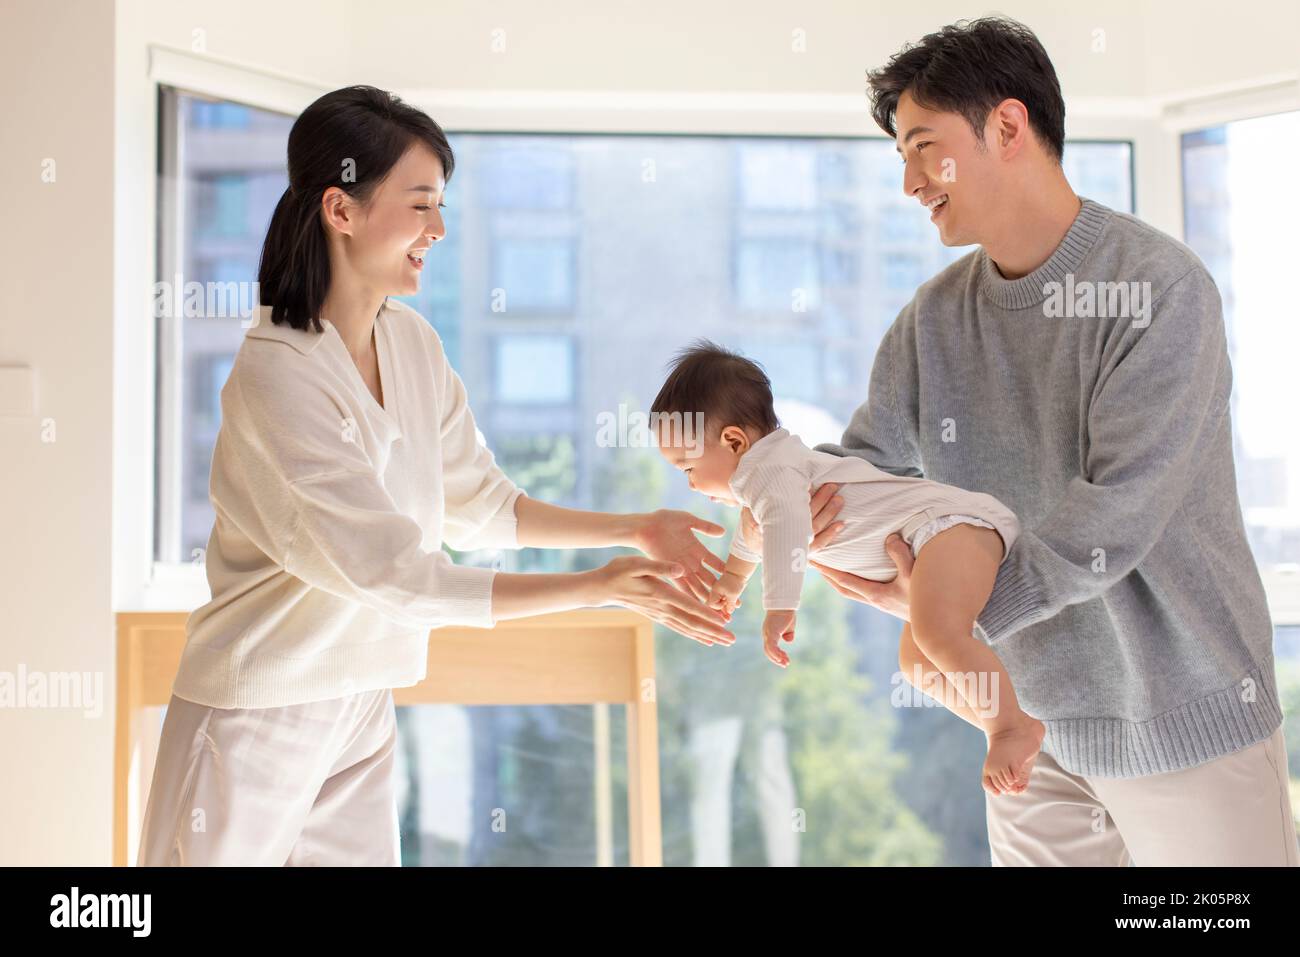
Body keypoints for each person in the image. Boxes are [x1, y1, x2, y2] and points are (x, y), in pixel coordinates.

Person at [138, 85, 734, 866]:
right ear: (340, 210)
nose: (439, 229)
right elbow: (397, 576)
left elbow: (479, 504)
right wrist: (600, 584)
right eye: (420, 205)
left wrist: (633, 530)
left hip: (361, 699)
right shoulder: (276, 378)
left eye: (442, 205)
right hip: (254, 713)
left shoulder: (411, 343)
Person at [787, 16, 1297, 865]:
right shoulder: (933, 323)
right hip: (1029, 732)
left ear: (1009, 127)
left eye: (923, 147)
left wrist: (951, 605)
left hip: (1187, 721)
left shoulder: (1158, 290)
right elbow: (864, 474)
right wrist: (788, 489)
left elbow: (1114, 516)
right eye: (900, 158)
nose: (910, 182)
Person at [651, 339, 1044, 796]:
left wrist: (779, 607)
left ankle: (1008, 728)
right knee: (920, 664)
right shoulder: (767, 480)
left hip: (945, 528)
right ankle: (1009, 721)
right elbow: (753, 536)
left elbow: (783, 530)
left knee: (939, 636)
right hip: (928, 544)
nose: (691, 483)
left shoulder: (769, 474)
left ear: (734, 441)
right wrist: (731, 581)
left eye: (687, 467)